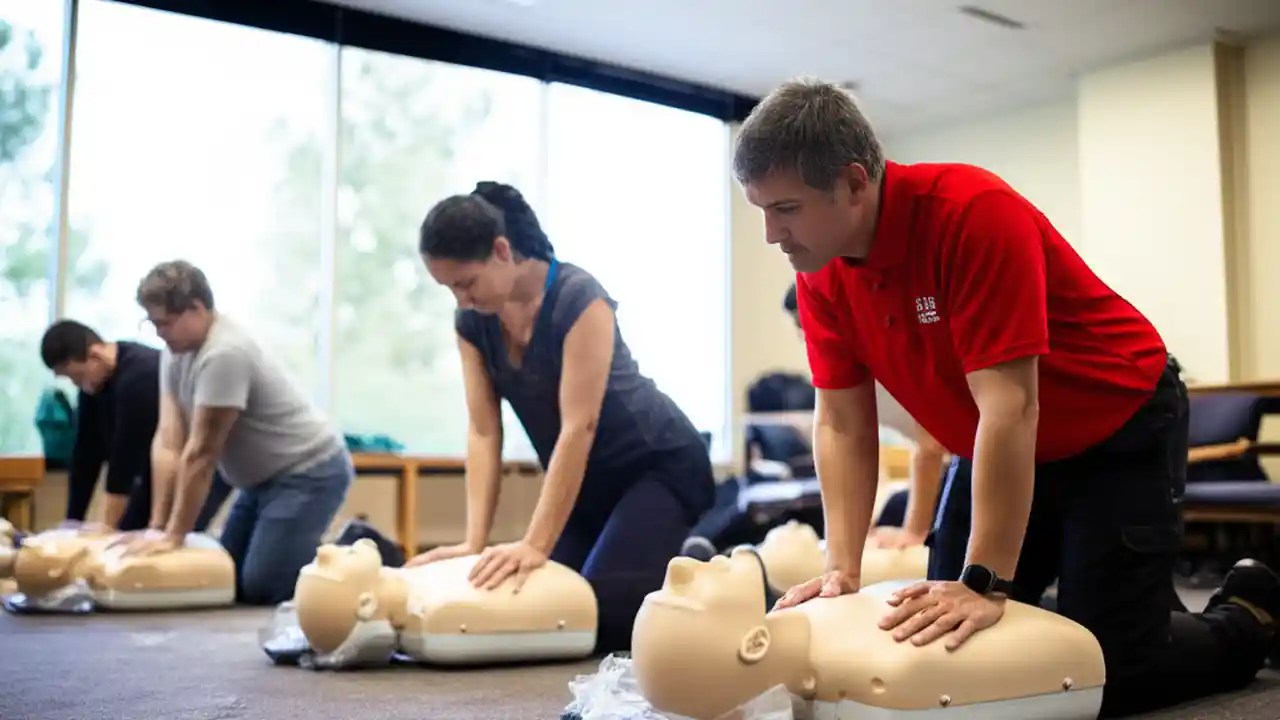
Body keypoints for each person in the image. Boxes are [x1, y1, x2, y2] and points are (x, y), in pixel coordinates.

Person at [735, 77, 1280, 717]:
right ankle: (1130, 596)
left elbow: (1011, 407)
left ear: (855, 183)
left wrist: (987, 582)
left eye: (787, 209)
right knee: (940, 634)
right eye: (761, 211)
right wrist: (843, 569)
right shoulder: (819, 272)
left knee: (1107, 672)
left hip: (1117, 422)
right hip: (1000, 443)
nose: (772, 234)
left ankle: (1251, 607)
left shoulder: (970, 213)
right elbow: (844, 426)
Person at [407, 181, 715, 654]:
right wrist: (474, 541)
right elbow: (484, 431)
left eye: (465, 283)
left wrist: (534, 542)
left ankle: (717, 569)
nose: (461, 300)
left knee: (604, 611)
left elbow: (579, 427)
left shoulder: (579, 298)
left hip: (660, 466)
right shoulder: (472, 324)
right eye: (450, 289)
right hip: (590, 489)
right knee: (534, 596)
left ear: (502, 250)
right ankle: (670, 560)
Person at [114, 260, 354, 606]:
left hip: (309, 472)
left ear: (196, 308)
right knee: (228, 580)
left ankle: (357, 552)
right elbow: (169, 441)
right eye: (152, 324)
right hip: (258, 482)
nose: (159, 334)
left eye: (164, 323)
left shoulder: (224, 353)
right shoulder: (175, 352)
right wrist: (156, 527)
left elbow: (201, 454)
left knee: (263, 586)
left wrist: (175, 534)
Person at [782, 283, 947, 549]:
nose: (804, 337)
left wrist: (914, 532)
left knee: (896, 506)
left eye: (803, 325)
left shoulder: (890, 343)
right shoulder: (848, 365)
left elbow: (931, 445)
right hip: (947, 462)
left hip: (970, 463)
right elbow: (851, 442)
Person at [39, 319, 232, 532]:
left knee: (165, 537)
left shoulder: (140, 374)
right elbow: (85, 456)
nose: (78, 385)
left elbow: (124, 460)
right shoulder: (92, 386)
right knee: (128, 534)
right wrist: (71, 523)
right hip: (153, 467)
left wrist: (106, 527)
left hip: (200, 463)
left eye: (77, 377)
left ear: (96, 355)